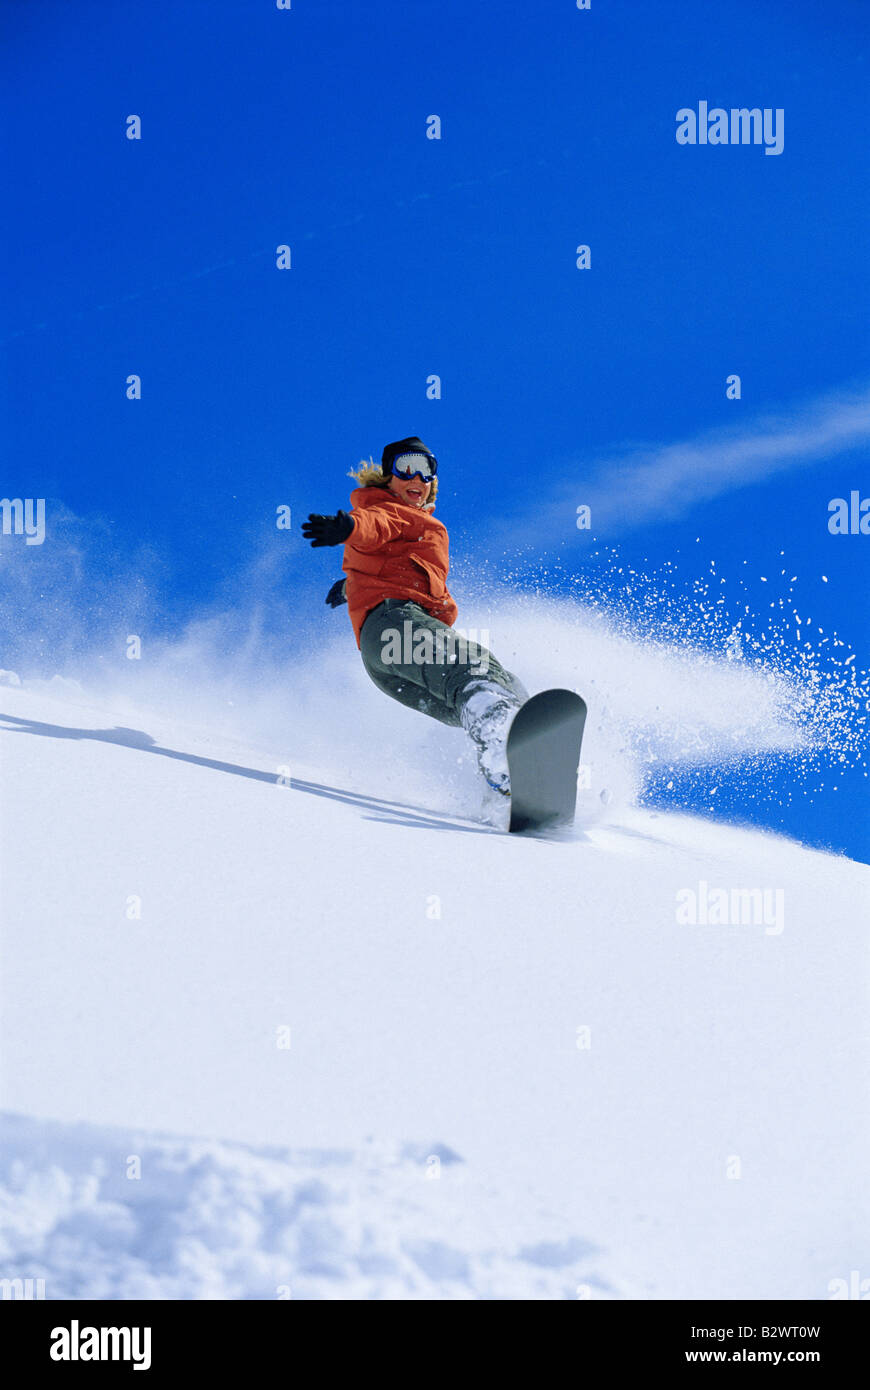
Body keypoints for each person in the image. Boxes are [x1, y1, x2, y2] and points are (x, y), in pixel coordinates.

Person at [302, 436, 528, 794]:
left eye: (426, 472)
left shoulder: (422, 527)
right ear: (387, 476)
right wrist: (347, 529)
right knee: (475, 667)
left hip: (390, 661)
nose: (416, 479)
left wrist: (349, 588)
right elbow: (372, 525)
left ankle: (506, 782)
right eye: (406, 467)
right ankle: (505, 743)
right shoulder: (388, 510)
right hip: (395, 626)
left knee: (484, 693)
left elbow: (386, 566)